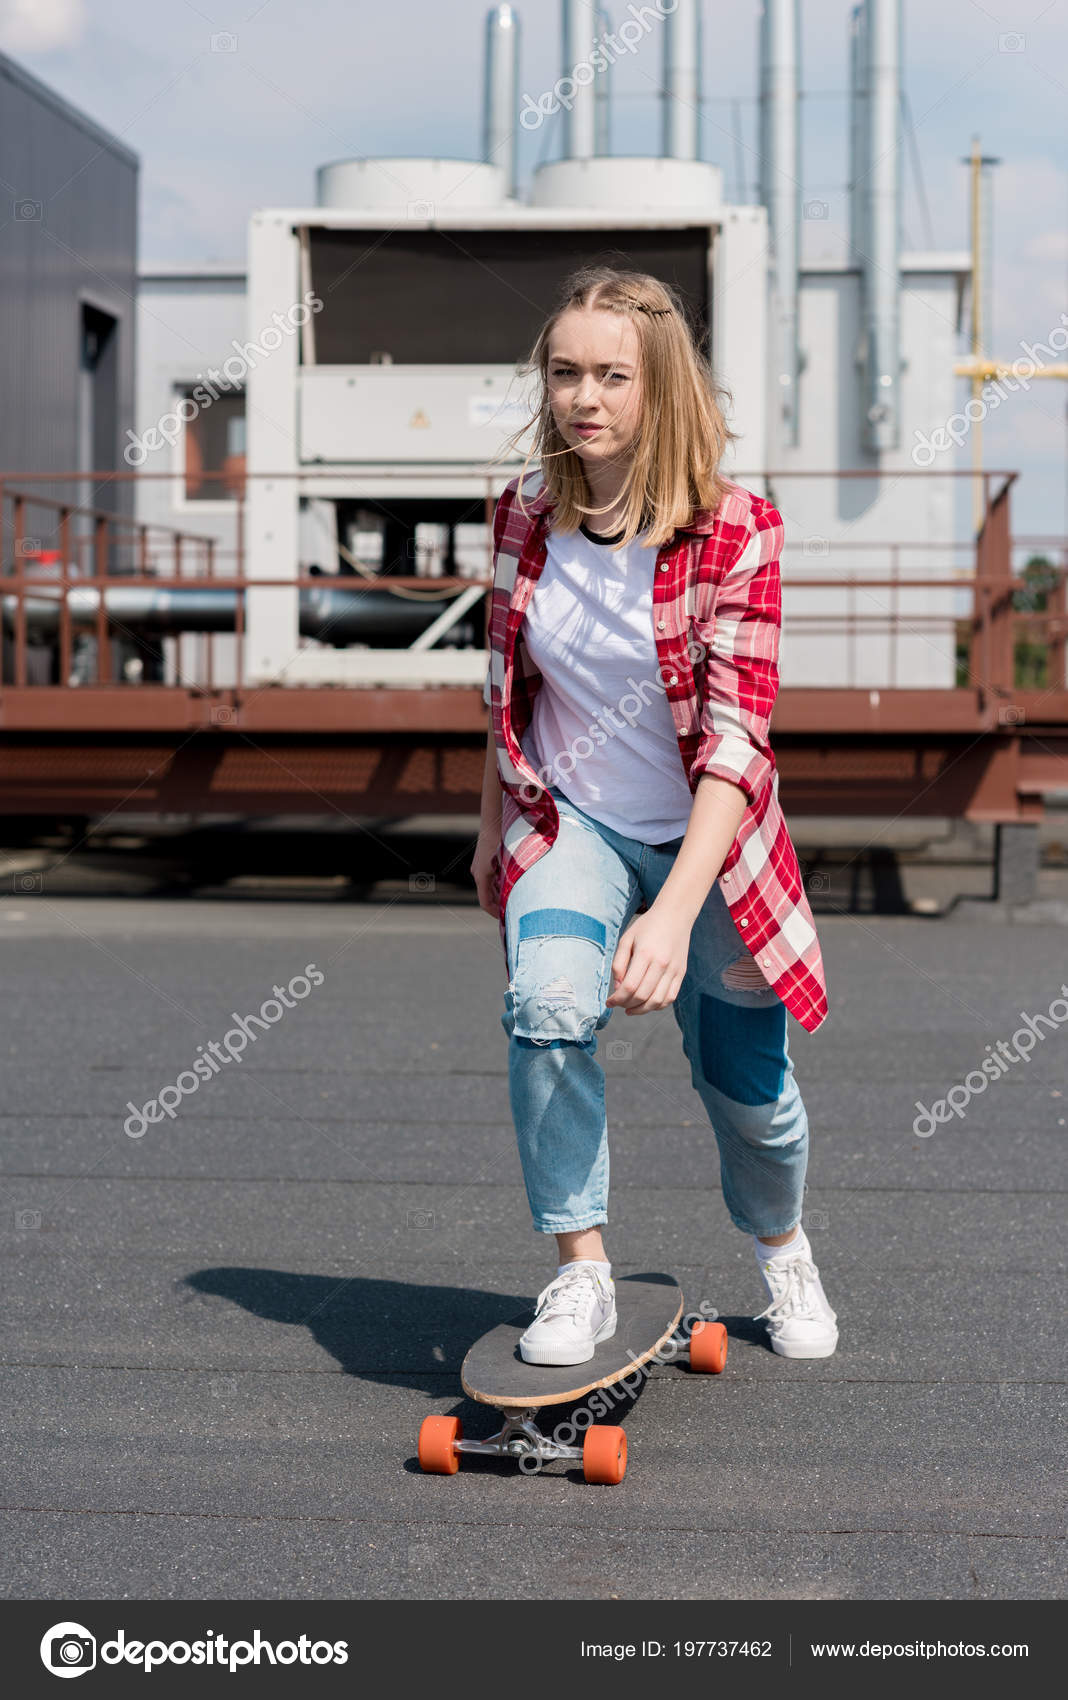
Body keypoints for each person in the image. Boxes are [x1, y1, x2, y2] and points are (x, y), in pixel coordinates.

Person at [471, 266, 836, 1369]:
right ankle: (582, 1270)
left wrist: (676, 914)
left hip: (711, 856)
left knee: (750, 1093)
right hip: (569, 822)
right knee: (545, 1006)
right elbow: (501, 682)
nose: (586, 396)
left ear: (660, 384)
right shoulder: (523, 515)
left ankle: (783, 1248)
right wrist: (492, 820)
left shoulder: (739, 532)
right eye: (567, 372)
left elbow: (737, 743)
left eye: (613, 375)